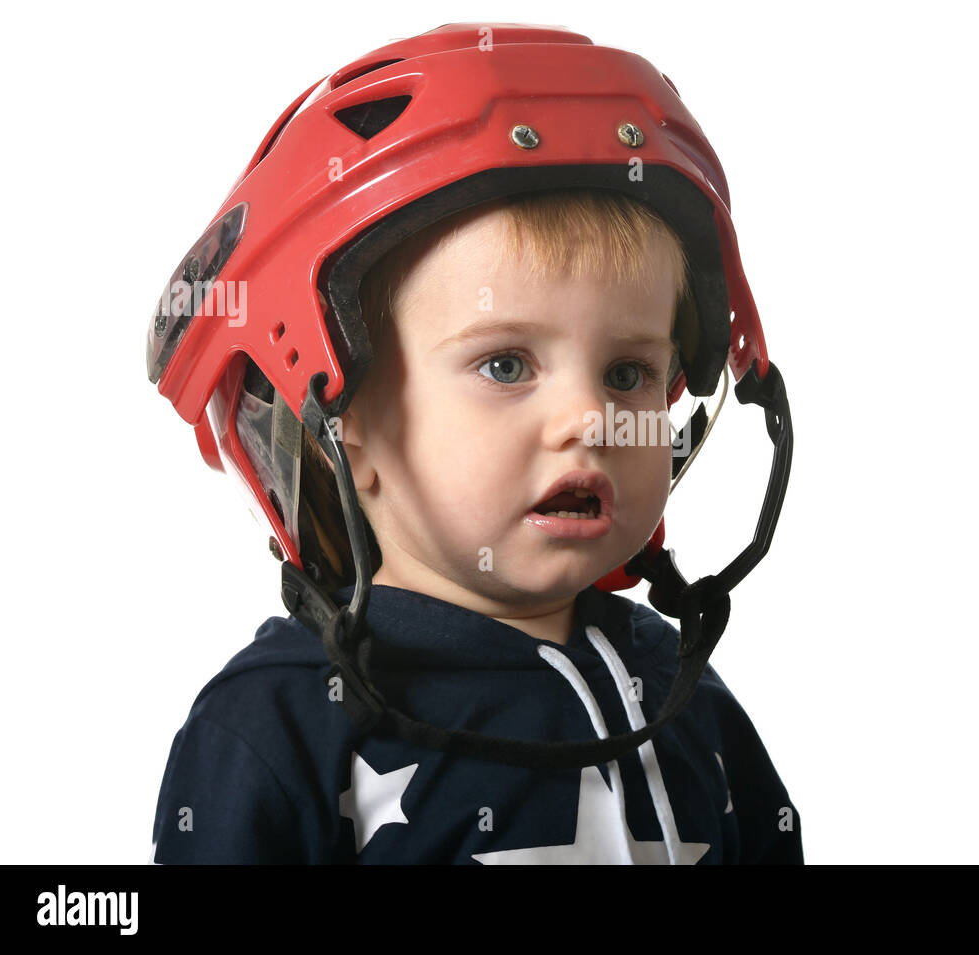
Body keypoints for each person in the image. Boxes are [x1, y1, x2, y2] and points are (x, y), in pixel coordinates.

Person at [147, 23, 798, 864]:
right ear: (352, 430)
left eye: (630, 372)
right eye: (504, 363)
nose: (591, 419)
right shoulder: (280, 724)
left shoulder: (683, 694)